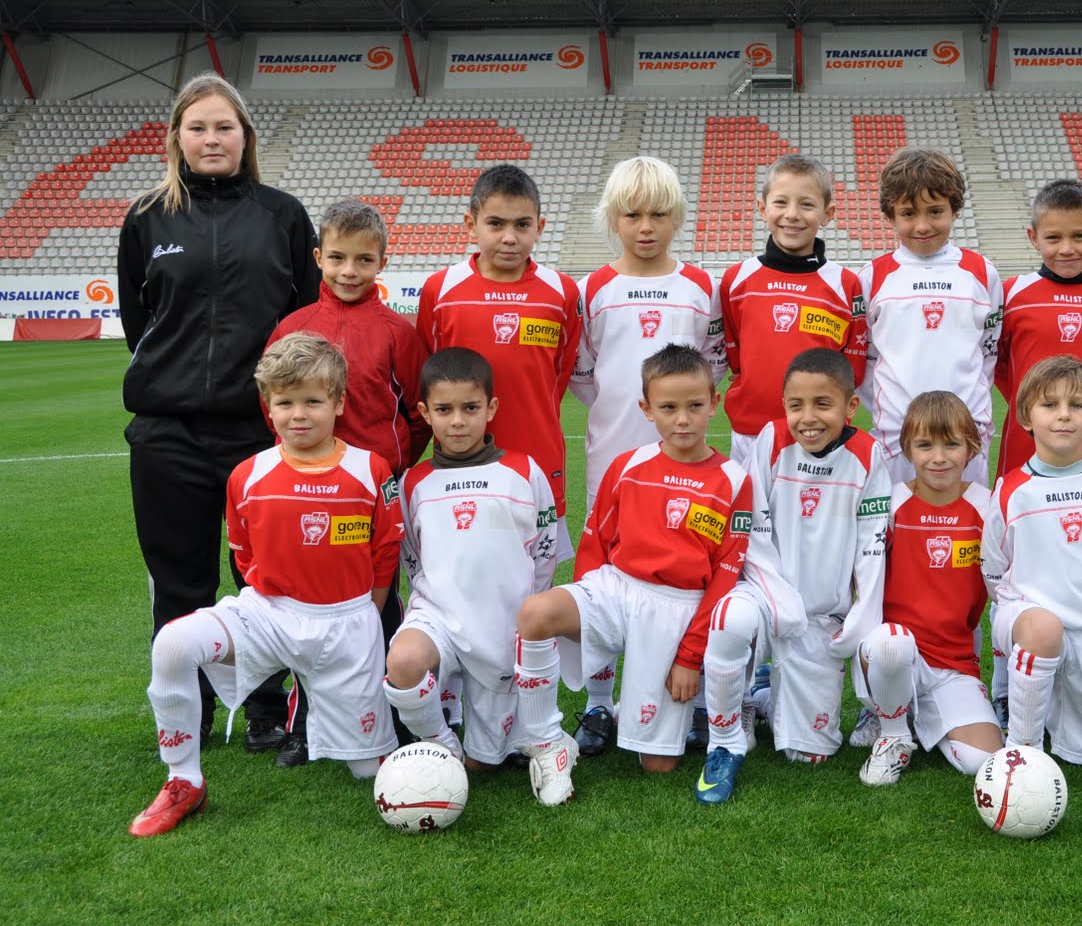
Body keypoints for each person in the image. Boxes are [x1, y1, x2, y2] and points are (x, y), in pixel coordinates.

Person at [129, 333, 401, 837]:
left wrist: (364, 616)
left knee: (371, 771)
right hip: (269, 615)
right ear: (267, 407)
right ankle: (183, 779)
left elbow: (384, 554)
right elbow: (245, 553)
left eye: (313, 401)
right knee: (173, 643)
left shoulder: (371, 471)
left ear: (339, 403)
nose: (299, 414)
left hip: (347, 625)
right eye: (285, 402)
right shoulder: (248, 475)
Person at [117, 72, 317, 754]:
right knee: (182, 582)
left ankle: (266, 709)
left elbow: (305, 320)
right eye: (197, 126)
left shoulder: (283, 215)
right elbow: (137, 319)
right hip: (166, 433)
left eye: (223, 126)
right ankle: (188, 713)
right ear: (176, 136)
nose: (210, 137)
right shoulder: (147, 216)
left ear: (245, 137)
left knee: (265, 580)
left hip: (259, 433)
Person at [512, 345, 753, 805]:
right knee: (537, 614)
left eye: (694, 406)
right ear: (646, 409)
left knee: (658, 767)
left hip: (676, 608)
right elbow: (594, 544)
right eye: (668, 408)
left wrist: (689, 657)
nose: (682, 420)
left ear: (714, 404)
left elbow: (724, 580)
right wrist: (588, 612)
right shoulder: (626, 467)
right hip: (616, 588)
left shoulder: (733, 479)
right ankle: (547, 743)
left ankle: (671, 708)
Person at [264, 197, 431, 766]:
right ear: (318, 257)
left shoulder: (397, 332)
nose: (349, 271)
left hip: (374, 492)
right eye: (337, 258)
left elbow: (416, 411)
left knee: (380, 602)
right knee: (310, 609)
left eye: (363, 259)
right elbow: (275, 403)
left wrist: (389, 465)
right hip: (309, 491)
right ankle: (305, 724)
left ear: (382, 261)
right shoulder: (293, 328)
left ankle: (392, 715)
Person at [569, 157, 726, 756]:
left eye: (659, 214)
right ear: (612, 218)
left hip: (688, 465)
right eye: (632, 214)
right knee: (601, 577)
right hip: (614, 460)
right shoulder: (592, 290)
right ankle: (599, 704)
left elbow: (711, 366)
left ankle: (705, 698)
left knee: (694, 574)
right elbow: (586, 377)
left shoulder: (700, 287)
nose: (645, 226)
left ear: (677, 217)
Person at [696, 348, 891, 803]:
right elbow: (753, 523)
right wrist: (776, 593)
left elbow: (873, 541)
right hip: (768, 598)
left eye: (823, 404)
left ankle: (764, 695)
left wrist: (861, 615)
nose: (808, 417)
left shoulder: (868, 454)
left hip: (821, 617)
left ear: (849, 407)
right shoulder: (770, 439)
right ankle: (729, 730)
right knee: (730, 620)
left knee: (810, 755)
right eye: (795, 405)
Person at [990, 178, 1082, 722]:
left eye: (1079, 236)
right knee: (1018, 568)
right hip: (1025, 455)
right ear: (1033, 237)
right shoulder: (1014, 295)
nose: (1067, 248)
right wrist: (1036, 418)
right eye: (1054, 238)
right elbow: (1001, 366)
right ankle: (1007, 682)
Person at [383, 348, 559, 771]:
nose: (457, 420)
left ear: (491, 407)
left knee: (487, 765)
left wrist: (523, 612)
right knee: (403, 662)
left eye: (470, 408)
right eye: (444, 409)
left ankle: (489, 742)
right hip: (438, 617)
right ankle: (442, 744)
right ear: (425, 412)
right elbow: (412, 558)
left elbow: (545, 551)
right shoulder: (414, 482)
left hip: (501, 624)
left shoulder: (524, 472)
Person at [415, 164, 580, 558]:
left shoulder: (562, 292)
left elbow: (561, 372)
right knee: (462, 568)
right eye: (495, 224)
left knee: (532, 585)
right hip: (458, 462)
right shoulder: (441, 290)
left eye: (522, 225)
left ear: (540, 226)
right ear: (470, 224)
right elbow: (425, 370)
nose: (510, 237)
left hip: (537, 460)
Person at [984, 357, 1082, 767]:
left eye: (1077, 405)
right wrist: (1022, 612)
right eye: (1049, 404)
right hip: (1027, 620)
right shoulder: (1012, 490)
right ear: (1026, 417)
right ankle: (1022, 750)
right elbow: (994, 568)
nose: (1064, 415)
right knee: (1043, 627)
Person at [856, 391, 1000, 786]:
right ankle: (893, 734)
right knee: (892, 642)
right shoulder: (891, 504)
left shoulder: (987, 508)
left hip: (953, 664)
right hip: (890, 653)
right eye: (925, 445)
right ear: (907, 448)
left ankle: (918, 716)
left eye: (951, 444)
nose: (939, 457)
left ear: (971, 448)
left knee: (981, 761)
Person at [857, 147, 1002, 486]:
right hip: (896, 435)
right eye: (908, 213)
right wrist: (889, 413)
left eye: (935, 211)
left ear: (954, 210)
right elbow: (866, 357)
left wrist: (972, 412)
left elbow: (989, 349)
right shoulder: (873, 276)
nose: (922, 226)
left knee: (967, 530)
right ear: (890, 215)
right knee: (899, 529)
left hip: (965, 433)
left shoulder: (982, 273)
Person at [720, 153, 867, 467]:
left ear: (827, 214)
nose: (792, 215)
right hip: (750, 433)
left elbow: (851, 368)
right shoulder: (737, 279)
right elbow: (735, 354)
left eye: (807, 204)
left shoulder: (845, 284)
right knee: (749, 514)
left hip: (818, 434)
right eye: (781, 203)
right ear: (763, 209)